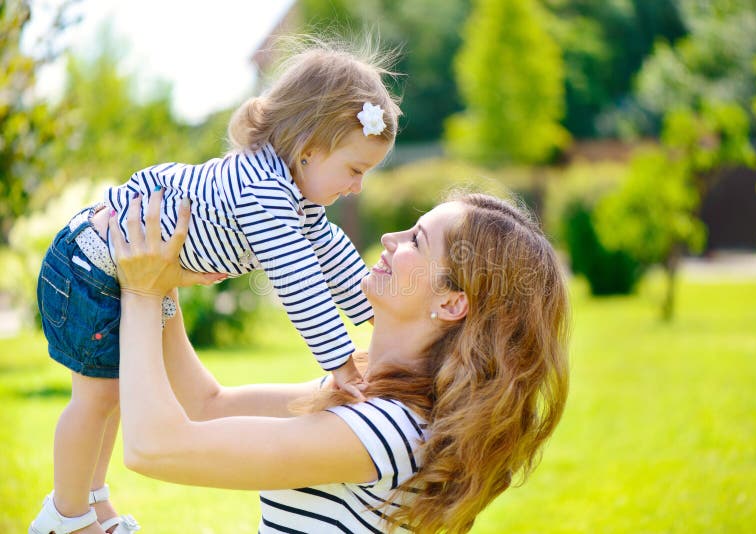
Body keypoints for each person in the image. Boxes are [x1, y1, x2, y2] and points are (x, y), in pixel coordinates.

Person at [30, 40, 401, 534]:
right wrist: (340, 362)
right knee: (96, 398)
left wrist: (382, 317)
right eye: (355, 170)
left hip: (118, 269)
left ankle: (92, 503)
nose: (357, 187)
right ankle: (64, 516)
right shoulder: (262, 191)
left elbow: (329, 255)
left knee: (113, 394)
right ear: (309, 147)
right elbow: (299, 281)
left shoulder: (294, 194)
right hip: (90, 266)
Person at [109, 190, 569, 533]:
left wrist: (142, 292)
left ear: (451, 303)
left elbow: (155, 448)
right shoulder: (367, 391)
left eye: (417, 240)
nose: (390, 238)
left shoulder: (390, 429)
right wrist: (163, 283)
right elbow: (206, 406)